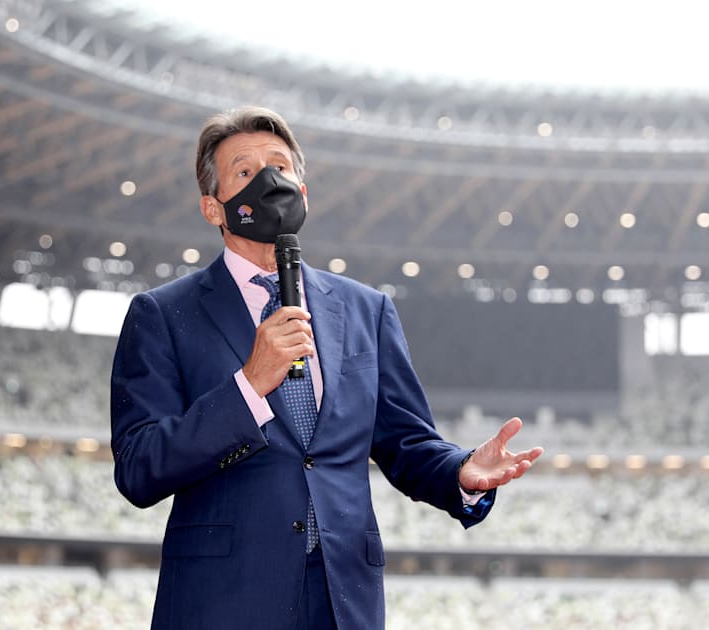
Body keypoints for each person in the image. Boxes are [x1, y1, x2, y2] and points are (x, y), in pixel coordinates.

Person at [111, 106, 543, 629]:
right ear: (213, 207)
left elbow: (405, 441)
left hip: (343, 600)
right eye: (245, 172)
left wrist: (461, 471)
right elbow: (139, 468)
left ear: (304, 192)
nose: (269, 181)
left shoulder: (367, 309)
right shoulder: (162, 314)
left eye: (281, 167)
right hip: (223, 600)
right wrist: (249, 385)